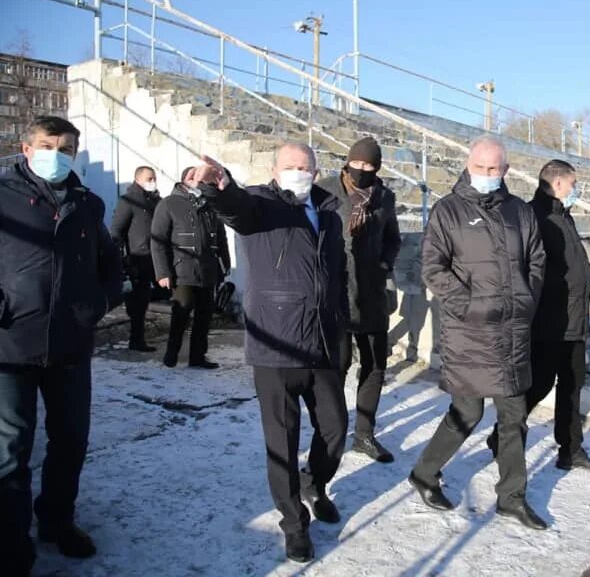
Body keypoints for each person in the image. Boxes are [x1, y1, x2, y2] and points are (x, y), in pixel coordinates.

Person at [185, 144, 347, 563]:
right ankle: (294, 523)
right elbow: (234, 209)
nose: (298, 172)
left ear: (316, 170)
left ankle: (315, 484)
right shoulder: (259, 202)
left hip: (323, 341)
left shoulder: (328, 211)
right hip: (276, 342)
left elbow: (335, 272)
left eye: (305, 167)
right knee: (282, 440)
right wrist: (220, 188)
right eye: (290, 166)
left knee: (335, 428)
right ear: (275, 170)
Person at [0, 116, 123, 575]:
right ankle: (11, 543)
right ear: (26, 148)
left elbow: (111, 264)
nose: (58, 153)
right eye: (48, 144)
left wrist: (98, 303)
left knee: (70, 440)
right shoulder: (3, 195)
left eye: (66, 147)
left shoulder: (88, 204)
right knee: (11, 449)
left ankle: (56, 520)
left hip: (71, 344)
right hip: (9, 344)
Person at [408, 136, 548, 530]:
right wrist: (473, 305)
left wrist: (525, 300)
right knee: (467, 412)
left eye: (495, 169)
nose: (488, 175)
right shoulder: (447, 211)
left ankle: (511, 497)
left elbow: (536, 259)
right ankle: (424, 473)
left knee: (514, 416)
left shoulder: (520, 211)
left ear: (506, 170)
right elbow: (434, 269)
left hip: (513, 330)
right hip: (469, 332)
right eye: (481, 168)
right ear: (469, 165)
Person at [489, 160, 590, 470]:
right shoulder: (534, 216)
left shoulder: (562, 215)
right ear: (557, 184)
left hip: (574, 318)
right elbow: (531, 270)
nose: (575, 190)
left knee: (572, 384)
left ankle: (570, 450)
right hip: (549, 321)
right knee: (539, 384)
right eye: (573, 184)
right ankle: (502, 436)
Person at [318, 138, 402, 463]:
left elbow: (393, 238)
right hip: (336, 292)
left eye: (370, 166)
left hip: (371, 293)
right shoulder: (324, 191)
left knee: (374, 366)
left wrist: (383, 264)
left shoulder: (385, 198)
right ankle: (332, 431)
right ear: (348, 161)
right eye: (359, 163)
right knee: (337, 365)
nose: (363, 170)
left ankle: (364, 435)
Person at [150, 167, 229, 369]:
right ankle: (171, 354)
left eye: (200, 178)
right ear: (184, 179)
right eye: (193, 177)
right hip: (182, 270)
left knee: (204, 318)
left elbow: (221, 238)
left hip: (208, 270)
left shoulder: (209, 205)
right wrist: (163, 272)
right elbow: (158, 241)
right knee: (181, 315)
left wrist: (225, 264)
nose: (198, 181)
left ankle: (197, 357)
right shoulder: (168, 203)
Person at [110, 166, 161, 352]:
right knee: (138, 302)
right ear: (138, 179)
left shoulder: (156, 200)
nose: (153, 181)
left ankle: (139, 338)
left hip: (155, 258)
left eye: (154, 178)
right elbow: (117, 230)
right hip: (138, 258)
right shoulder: (129, 201)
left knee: (149, 298)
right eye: (149, 178)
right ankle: (136, 340)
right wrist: (122, 258)